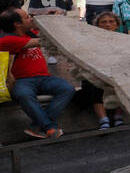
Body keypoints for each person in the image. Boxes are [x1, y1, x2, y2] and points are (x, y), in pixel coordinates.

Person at [0, 7, 76, 139]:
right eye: (27, 17)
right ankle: (49, 127)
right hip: (21, 80)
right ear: (17, 24)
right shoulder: (7, 40)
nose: (31, 19)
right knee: (24, 95)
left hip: (44, 78)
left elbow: (39, 26)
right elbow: (45, 41)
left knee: (67, 88)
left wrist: (49, 17)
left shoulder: (29, 32)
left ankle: (37, 126)